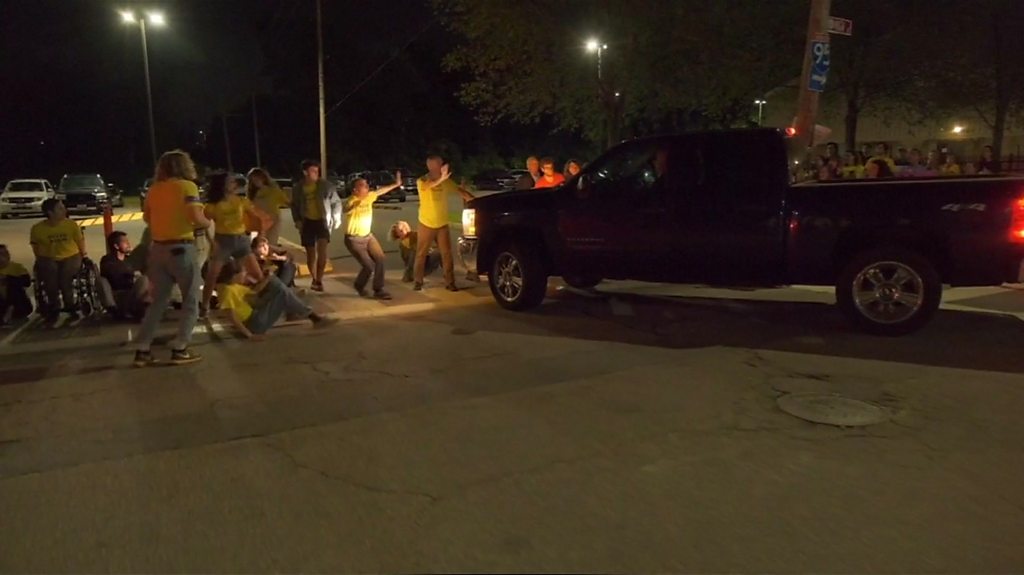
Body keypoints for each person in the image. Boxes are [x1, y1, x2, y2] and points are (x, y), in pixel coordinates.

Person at [133, 149, 213, 367]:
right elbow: (195, 217)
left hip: (158, 250)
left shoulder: (154, 189)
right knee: (190, 300)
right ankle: (180, 348)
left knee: (158, 302)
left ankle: (142, 349)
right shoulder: (188, 187)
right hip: (181, 248)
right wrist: (207, 221)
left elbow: (147, 218)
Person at [214, 259, 337, 341]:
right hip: (254, 324)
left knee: (276, 284)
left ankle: (297, 306)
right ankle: (311, 316)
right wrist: (249, 335)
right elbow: (232, 317)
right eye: (243, 273)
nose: (245, 275)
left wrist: (268, 278)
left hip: (255, 314)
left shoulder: (232, 287)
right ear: (233, 276)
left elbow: (256, 292)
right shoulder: (227, 292)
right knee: (283, 293)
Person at [201, 172, 268, 315]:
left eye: (234, 182)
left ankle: (260, 301)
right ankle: (204, 306)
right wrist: (211, 242)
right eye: (231, 182)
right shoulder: (212, 205)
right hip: (222, 241)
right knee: (212, 275)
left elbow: (259, 217)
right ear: (222, 185)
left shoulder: (241, 201)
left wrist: (261, 237)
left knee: (258, 275)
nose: (235, 184)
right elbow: (204, 224)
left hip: (241, 240)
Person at [414, 155, 475, 291]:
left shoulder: (445, 181)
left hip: (442, 224)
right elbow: (428, 186)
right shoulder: (422, 180)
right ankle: (418, 281)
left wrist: (475, 200)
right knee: (421, 253)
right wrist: (442, 178)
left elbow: (460, 191)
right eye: (440, 164)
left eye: (442, 164)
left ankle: (450, 282)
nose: (442, 167)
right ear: (432, 166)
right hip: (426, 223)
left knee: (447, 253)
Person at [343, 173, 401, 300]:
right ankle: (359, 285)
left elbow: (381, 191)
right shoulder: (352, 200)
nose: (367, 187)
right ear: (355, 190)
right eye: (363, 185)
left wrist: (396, 184)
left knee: (380, 259)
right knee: (368, 266)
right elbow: (345, 208)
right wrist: (353, 206)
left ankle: (379, 289)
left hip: (368, 236)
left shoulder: (369, 197)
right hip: (354, 239)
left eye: (366, 184)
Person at [290, 159, 342, 292]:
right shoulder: (298, 188)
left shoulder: (325, 185)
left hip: (322, 221)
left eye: (317, 171)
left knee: (322, 251)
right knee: (310, 254)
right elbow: (294, 206)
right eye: (313, 171)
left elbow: (336, 202)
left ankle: (319, 279)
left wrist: (336, 217)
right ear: (305, 172)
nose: (316, 174)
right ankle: (314, 278)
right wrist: (297, 221)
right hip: (307, 222)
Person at [30, 199, 86, 322]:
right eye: (60, 208)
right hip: (48, 257)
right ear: (50, 212)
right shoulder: (37, 228)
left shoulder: (71, 224)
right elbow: (36, 247)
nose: (64, 210)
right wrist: (40, 259)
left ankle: (70, 305)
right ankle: (54, 306)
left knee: (65, 277)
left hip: (71, 255)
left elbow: (80, 241)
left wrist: (83, 255)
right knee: (50, 278)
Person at [100, 231, 150, 320]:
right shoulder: (107, 260)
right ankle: (114, 310)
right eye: (125, 242)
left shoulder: (130, 260)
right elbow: (112, 273)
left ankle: (139, 309)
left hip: (131, 293)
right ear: (116, 246)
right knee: (101, 280)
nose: (128, 244)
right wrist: (132, 273)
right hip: (116, 295)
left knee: (145, 279)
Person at [246, 168, 290, 246]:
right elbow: (249, 207)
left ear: (263, 178)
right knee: (258, 246)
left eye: (257, 178)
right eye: (253, 180)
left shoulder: (273, 189)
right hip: (259, 222)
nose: (256, 181)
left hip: (273, 219)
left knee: (271, 243)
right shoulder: (252, 193)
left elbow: (284, 200)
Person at [0, 244, 32, 325]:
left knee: (13, 284)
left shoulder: (17, 267)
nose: (3, 257)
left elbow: (27, 282)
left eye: (5, 253)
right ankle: (8, 309)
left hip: (19, 304)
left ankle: (10, 308)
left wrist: (7, 278)